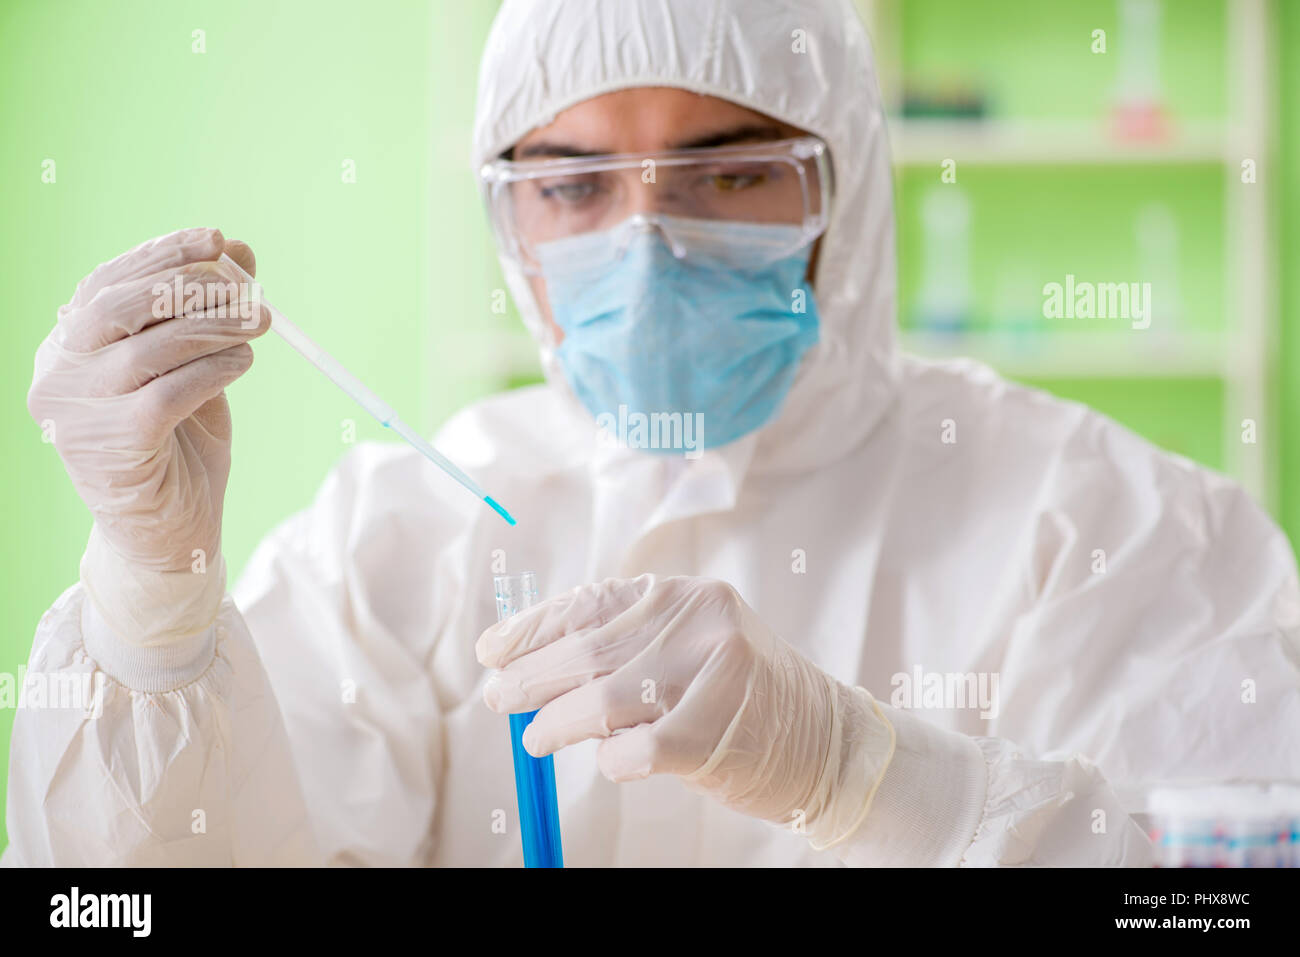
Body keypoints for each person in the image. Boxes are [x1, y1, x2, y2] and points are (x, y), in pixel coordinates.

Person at [6, 0, 1299, 867]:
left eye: (730, 172)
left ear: (841, 176)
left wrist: (872, 771)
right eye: (570, 183)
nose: (648, 240)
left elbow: (1216, 880)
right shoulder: (406, 531)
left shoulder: (1106, 525)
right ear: (508, 222)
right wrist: (150, 598)